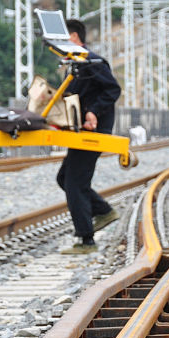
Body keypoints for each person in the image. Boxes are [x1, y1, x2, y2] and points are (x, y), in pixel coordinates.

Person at [56, 18, 121, 254]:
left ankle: (86, 240)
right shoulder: (76, 65)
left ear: (74, 38)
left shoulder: (91, 61)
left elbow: (113, 89)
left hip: (94, 131)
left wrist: (94, 111)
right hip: (80, 132)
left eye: (62, 38)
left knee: (75, 182)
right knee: (65, 178)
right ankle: (103, 211)